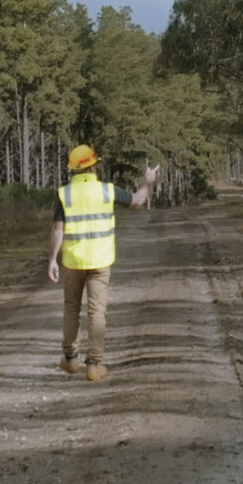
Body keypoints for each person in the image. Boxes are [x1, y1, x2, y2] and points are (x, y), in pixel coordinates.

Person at [46, 145, 160, 381]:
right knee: (97, 311)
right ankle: (94, 365)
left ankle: (69, 359)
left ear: (73, 170)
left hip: (73, 261)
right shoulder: (107, 190)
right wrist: (148, 182)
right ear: (94, 165)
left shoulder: (64, 194)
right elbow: (138, 200)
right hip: (100, 260)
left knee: (71, 309)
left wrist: (52, 260)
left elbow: (58, 230)